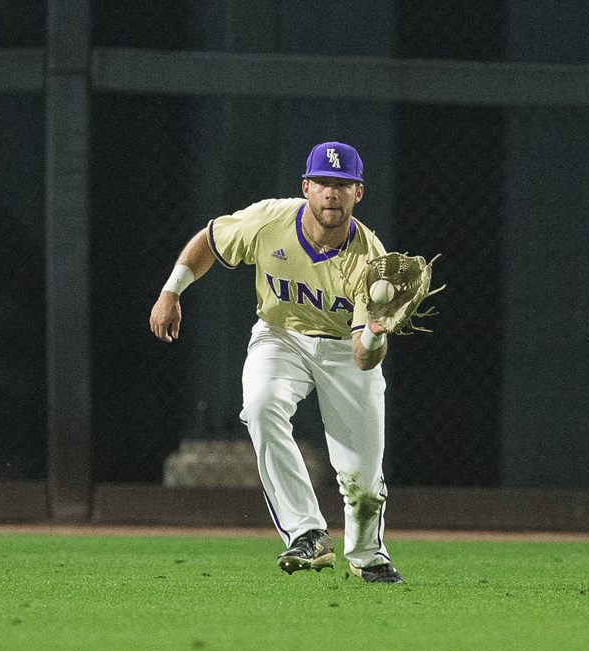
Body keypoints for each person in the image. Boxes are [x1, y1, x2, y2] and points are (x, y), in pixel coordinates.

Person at [149, 141, 404, 584]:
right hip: (280, 335)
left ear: (358, 194)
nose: (332, 193)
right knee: (263, 404)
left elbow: (364, 359)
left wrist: (376, 335)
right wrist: (172, 290)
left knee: (361, 479)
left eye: (343, 185)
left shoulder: (372, 259)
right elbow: (209, 240)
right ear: (306, 187)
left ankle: (368, 556)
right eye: (323, 182)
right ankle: (306, 532)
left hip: (344, 349)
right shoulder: (270, 219)